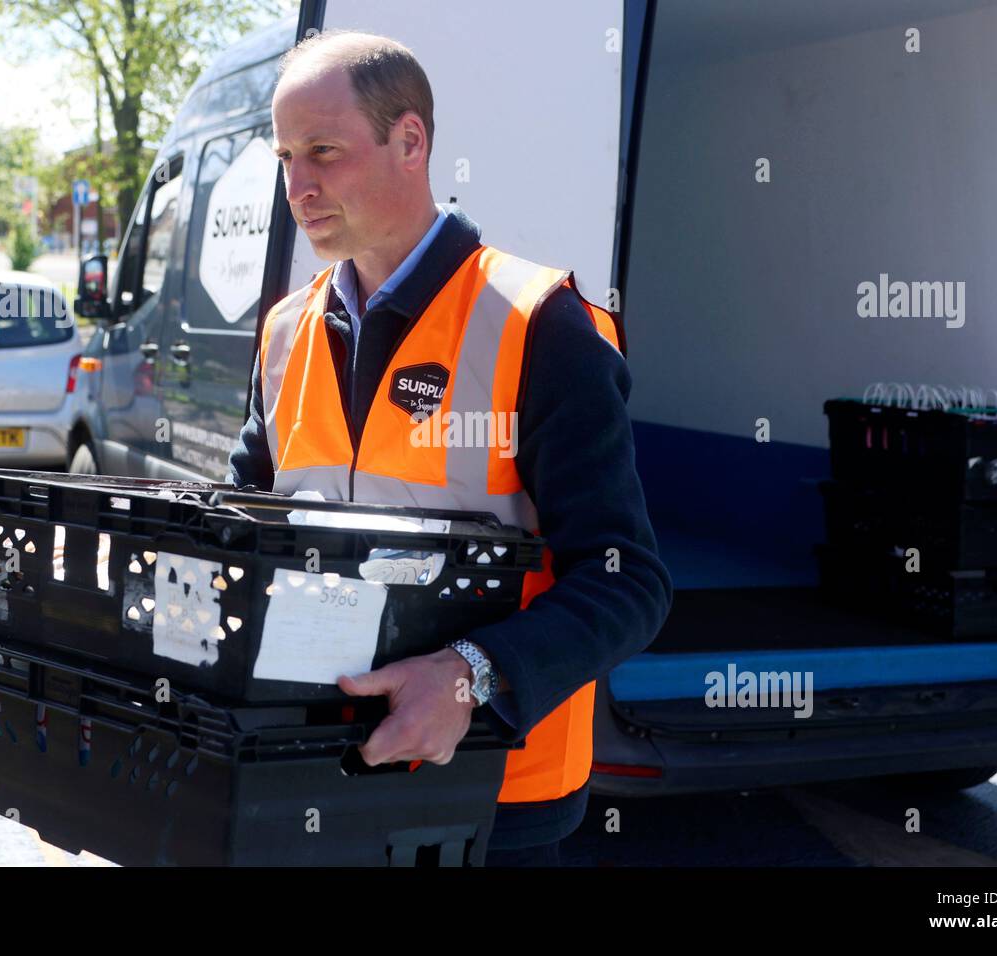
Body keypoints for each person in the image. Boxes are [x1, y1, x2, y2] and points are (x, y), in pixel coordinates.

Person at [227, 29, 672, 867]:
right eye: (286, 157)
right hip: (317, 771)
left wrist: (468, 674)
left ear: (411, 141)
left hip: (492, 799)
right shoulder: (287, 332)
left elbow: (630, 582)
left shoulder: (539, 324)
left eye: (323, 151)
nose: (299, 186)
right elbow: (245, 536)